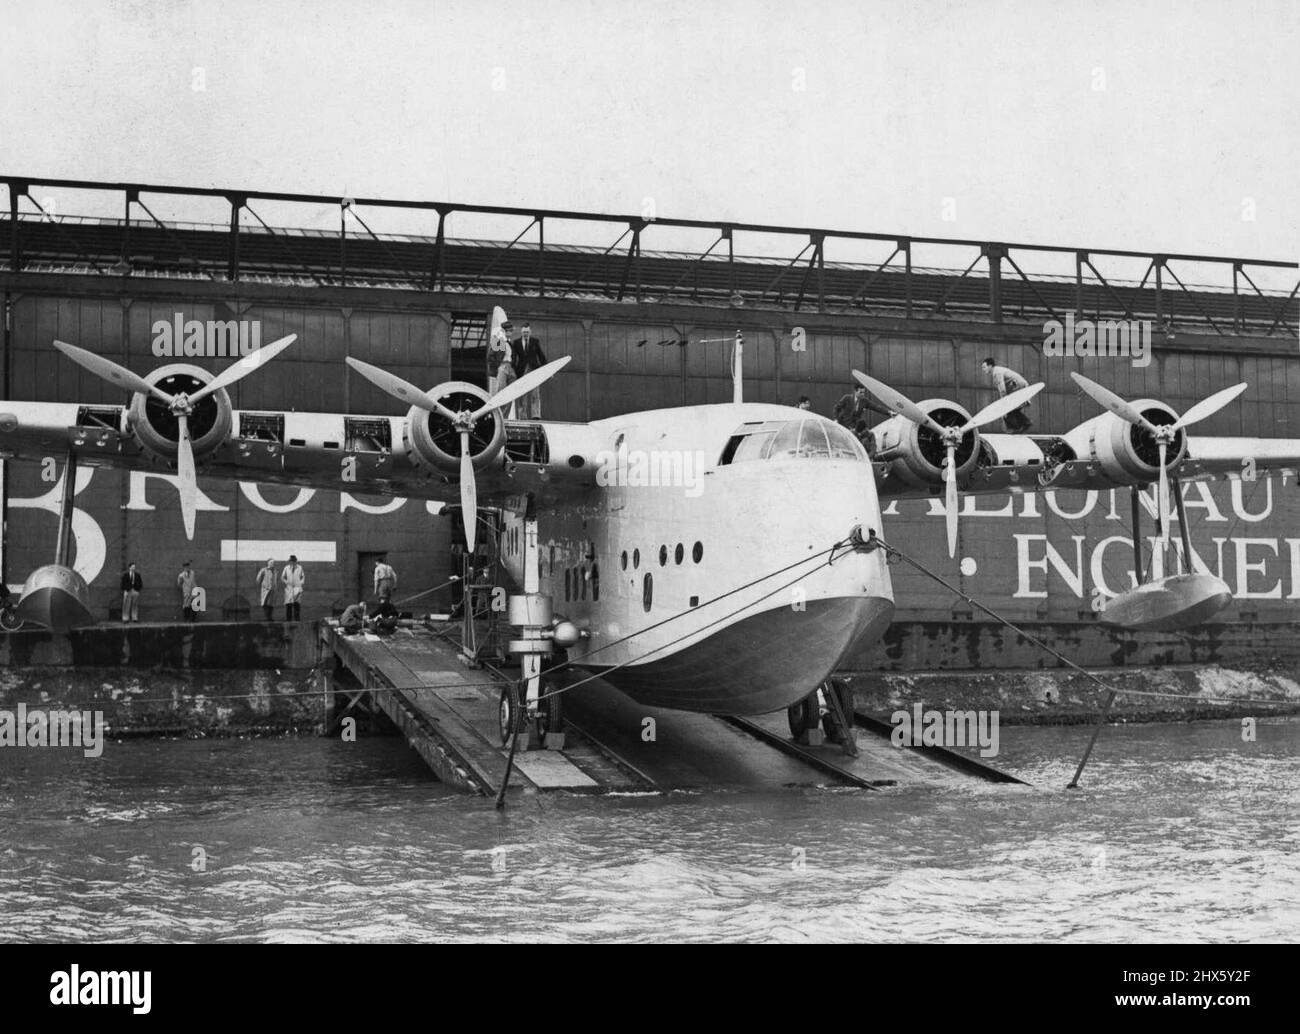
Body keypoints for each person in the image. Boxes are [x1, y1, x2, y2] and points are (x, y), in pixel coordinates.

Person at [981, 357, 1033, 432]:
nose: (983, 369)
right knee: (1013, 410)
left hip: (1018, 388)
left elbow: (1002, 389)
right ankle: (1024, 424)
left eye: (984, 367)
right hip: (1019, 387)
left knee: (1007, 410)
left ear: (990, 366)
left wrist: (1004, 402)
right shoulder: (997, 371)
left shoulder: (996, 372)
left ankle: (1017, 427)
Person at [511, 322, 548, 419]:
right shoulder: (516, 343)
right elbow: (514, 357)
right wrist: (513, 368)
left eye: (527, 332)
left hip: (534, 370)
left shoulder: (535, 341)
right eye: (523, 332)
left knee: (535, 393)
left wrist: (547, 369)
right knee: (522, 394)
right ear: (521, 332)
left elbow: (541, 356)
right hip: (522, 371)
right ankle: (522, 415)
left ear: (530, 332)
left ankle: (536, 415)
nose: (525, 333)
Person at [488, 319, 516, 396]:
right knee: (502, 390)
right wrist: (498, 366)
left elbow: (512, 356)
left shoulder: (509, 342)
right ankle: (501, 408)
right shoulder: (497, 340)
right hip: (502, 366)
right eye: (508, 331)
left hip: (510, 367)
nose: (510, 333)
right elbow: (490, 357)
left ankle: (508, 407)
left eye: (510, 331)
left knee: (512, 390)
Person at [281, 555, 305, 622]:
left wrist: (300, 583)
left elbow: (303, 577)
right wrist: (286, 582)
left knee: (297, 604)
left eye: (294, 561)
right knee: (288, 604)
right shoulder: (286, 568)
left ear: (296, 561)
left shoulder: (300, 568)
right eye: (291, 561)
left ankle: (297, 619)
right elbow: (282, 577)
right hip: (289, 588)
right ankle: (289, 619)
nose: (292, 563)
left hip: (297, 588)